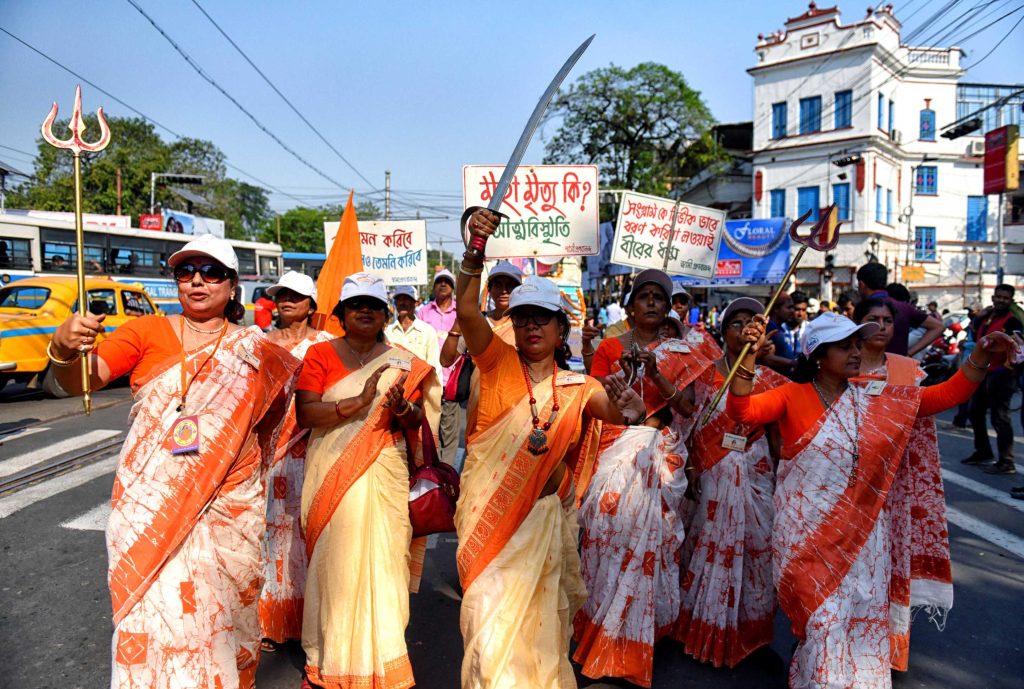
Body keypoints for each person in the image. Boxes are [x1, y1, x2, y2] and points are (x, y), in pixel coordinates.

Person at [47, 233, 300, 689]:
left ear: (232, 284)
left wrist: (236, 479)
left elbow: (269, 431)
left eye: (211, 272)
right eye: (186, 271)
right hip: (151, 507)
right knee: (153, 624)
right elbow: (79, 381)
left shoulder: (256, 351)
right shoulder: (147, 332)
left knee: (221, 628)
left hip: (228, 512)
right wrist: (64, 349)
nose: (197, 281)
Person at [726, 311, 1017, 689]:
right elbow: (742, 411)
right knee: (824, 622)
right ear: (817, 354)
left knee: (858, 621)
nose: (855, 352)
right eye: (844, 345)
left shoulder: (877, 399)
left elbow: (944, 395)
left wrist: (979, 355)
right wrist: (748, 357)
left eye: (856, 345)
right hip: (805, 539)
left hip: (865, 540)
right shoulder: (791, 395)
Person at [456, 209, 646, 689]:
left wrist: (630, 406)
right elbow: (466, 312)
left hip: (542, 522)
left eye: (544, 319)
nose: (532, 327)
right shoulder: (496, 362)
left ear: (562, 330)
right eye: (523, 319)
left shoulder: (579, 386)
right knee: (487, 629)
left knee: (539, 637)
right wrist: (475, 251)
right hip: (488, 524)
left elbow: (616, 410)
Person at [573, 269, 719, 687]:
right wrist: (627, 402)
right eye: (645, 296)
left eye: (660, 297)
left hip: (660, 454)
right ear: (630, 306)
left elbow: (689, 409)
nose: (653, 303)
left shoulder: (681, 350)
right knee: (609, 540)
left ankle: (639, 636)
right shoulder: (610, 348)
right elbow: (601, 399)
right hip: (618, 454)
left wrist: (656, 373)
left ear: (669, 306)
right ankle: (603, 628)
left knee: (651, 546)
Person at [295, 272, 441, 689]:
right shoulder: (320, 356)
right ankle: (332, 662)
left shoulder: (403, 361)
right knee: (333, 567)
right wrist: (357, 404)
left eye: (374, 306)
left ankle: (384, 662)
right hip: (331, 476)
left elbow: (419, 422)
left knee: (384, 567)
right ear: (341, 313)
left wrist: (403, 411)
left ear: (384, 315)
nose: (364, 311)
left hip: (385, 473)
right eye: (356, 304)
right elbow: (307, 414)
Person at [676, 298, 789, 669]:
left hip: (755, 471)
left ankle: (746, 629)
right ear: (723, 333)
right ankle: (705, 624)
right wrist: (691, 469)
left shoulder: (771, 379)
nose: (744, 330)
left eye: (751, 323)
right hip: (710, 470)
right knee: (709, 546)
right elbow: (688, 426)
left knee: (755, 545)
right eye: (735, 323)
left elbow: (777, 437)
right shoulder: (704, 374)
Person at [853, 297, 953, 671]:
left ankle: (884, 653)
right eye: (871, 319)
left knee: (888, 563)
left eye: (887, 320)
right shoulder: (836, 367)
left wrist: (977, 366)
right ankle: (840, 640)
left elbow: (940, 400)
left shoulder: (906, 372)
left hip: (892, 489)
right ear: (856, 325)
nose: (881, 326)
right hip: (846, 487)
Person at [257, 271, 332, 651]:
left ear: (311, 304)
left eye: (295, 296)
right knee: (271, 535)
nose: (287, 301)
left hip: (312, 449)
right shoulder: (260, 345)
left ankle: (310, 620)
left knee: (308, 532)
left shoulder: (327, 346)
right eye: (282, 295)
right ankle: (271, 621)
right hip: (268, 454)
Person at [440, 260, 523, 437]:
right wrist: (458, 324)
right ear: (490, 289)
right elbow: (446, 360)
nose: (504, 291)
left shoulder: (525, 325)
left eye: (510, 285)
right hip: (479, 409)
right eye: (498, 285)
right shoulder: (478, 323)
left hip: (516, 409)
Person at [963, 284, 1022, 475]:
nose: (1001, 300)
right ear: (993, 297)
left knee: (1000, 417)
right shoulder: (988, 318)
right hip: (985, 373)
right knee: (975, 411)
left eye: (1005, 298)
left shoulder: (1012, 321)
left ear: (1010, 300)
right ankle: (983, 451)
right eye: (998, 297)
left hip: (1003, 375)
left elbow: (1018, 347)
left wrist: (1008, 369)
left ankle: (1006, 461)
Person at [856, 262, 943, 357]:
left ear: (861, 285)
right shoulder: (904, 307)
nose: (881, 326)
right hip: (898, 365)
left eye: (888, 321)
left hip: (868, 366)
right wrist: (909, 353)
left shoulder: (862, 308)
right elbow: (938, 326)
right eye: (873, 320)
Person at [417, 269, 459, 464]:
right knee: (429, 432)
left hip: (452, 383)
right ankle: (430, 475)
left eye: (447, 282)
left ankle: (447, 478)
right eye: (439, 282)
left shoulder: (461, 313)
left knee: (449, 438)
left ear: (452, 287)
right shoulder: (423, 312)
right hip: (429, 382)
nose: (443, 285)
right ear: (434, 287)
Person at [386, 284, 442, 381]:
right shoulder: (387, 332)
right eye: (399, 299)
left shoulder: (427, 331)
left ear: (415, 303)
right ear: (395, 303)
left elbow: (435, 365)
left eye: (406, 299)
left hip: (419, 389)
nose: (402, 302)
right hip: (391, 390)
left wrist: (435, 393)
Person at [764, 292, 797, 377]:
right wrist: (794, 363)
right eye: (789, 307)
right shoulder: (769, 328)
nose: (792, 311)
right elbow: (768, 358)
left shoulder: (781, 327)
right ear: (776, 309)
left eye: (793, 307)